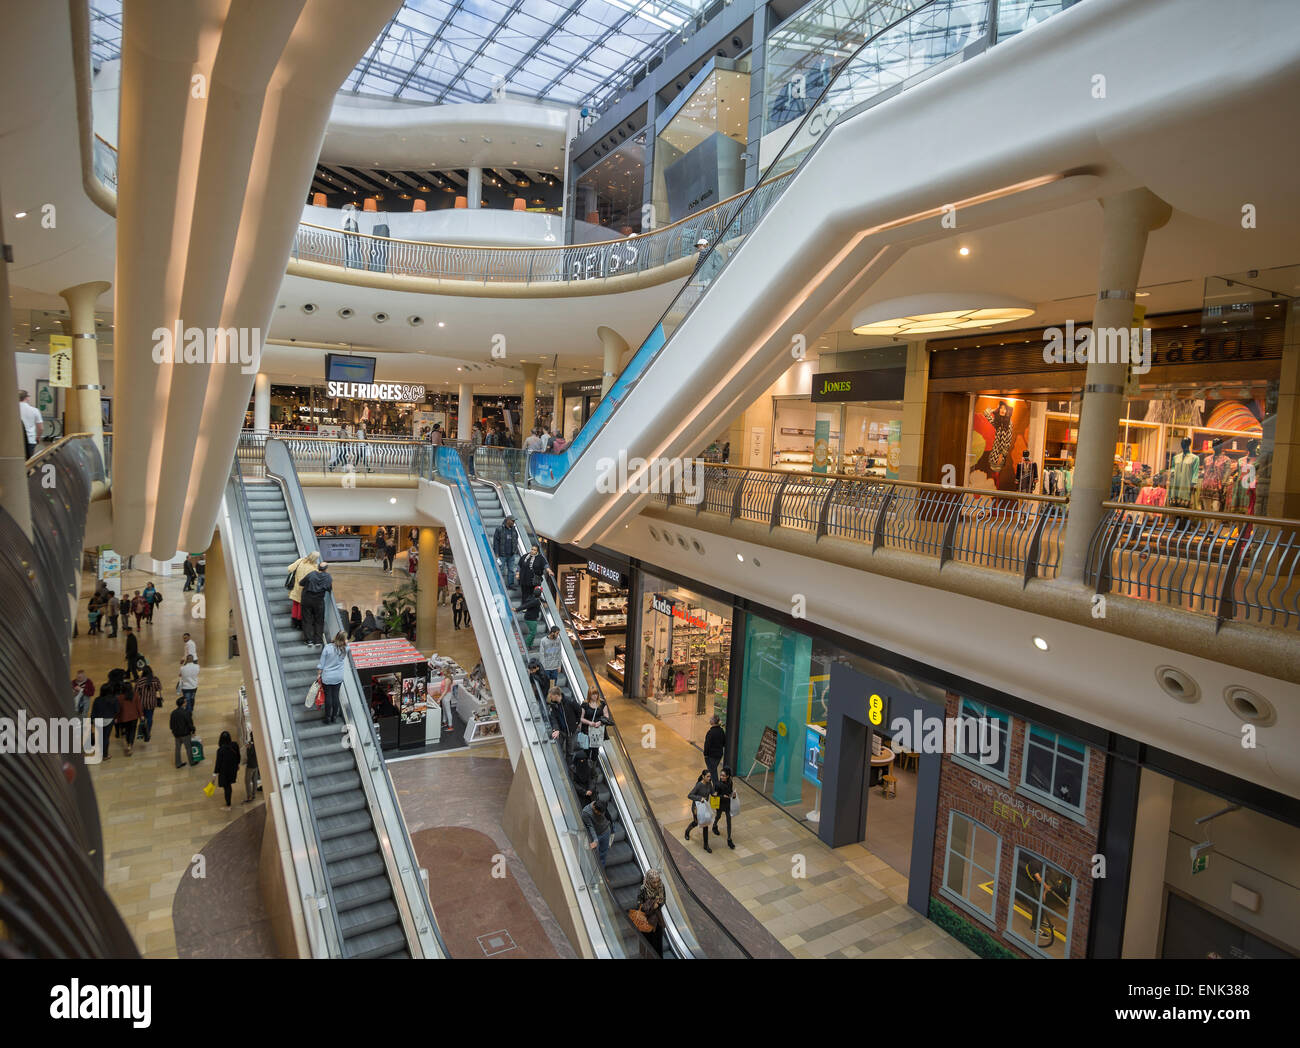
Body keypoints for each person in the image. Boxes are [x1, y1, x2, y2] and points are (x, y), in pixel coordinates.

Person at [317, 631, 348, 725]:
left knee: (328, 697)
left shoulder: (327, 648)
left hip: (327, 676)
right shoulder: (346, 649)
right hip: (338, 677)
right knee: (335, 696)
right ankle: (334, 717)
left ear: (335, 637)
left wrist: (319, 674)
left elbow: (321, 664)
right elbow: (348, 645)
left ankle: (327, 718)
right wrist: (345, 642)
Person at [300, 562, 333, 647]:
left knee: (307, 619)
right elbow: (329, 588)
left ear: (318, 567)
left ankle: (309, 640)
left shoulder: (311, 574)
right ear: (326, 569)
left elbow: (301, 583)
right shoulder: (328, 577)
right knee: (319, 621)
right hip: (319, 601)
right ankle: (318, 641)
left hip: (307, 599)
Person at [633, 869, 666, 954]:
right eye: (653, 882)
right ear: (648, 881)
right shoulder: (643, 889)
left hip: (657, 919)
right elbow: (639, 905)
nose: (656, 884)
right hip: (646, 920)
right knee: (648, 942)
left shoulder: (661, 886)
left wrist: (659, 903)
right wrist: (652, 906)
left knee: (658, 942)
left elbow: (663, 900)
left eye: (657, 881)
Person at [286, 551, 320, 632]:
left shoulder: (300, 561)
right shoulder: (314, 567)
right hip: (305, 591)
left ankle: (294, 623)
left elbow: (289, 568)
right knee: (302, 608)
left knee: (295, 605)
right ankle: (299, 624)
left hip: (295, 589)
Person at [684, 769, 715, 853]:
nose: (709, 778)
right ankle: (687, 831)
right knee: (696, 822)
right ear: (703, 777)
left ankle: (706, 845)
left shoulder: (709, 783)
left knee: (706, 824)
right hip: (697, 807)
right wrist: (699, 798)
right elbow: (690, 795)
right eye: (708, 776)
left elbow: (712, 793)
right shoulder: (699, 785)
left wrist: (715, 794)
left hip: (705, 807)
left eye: (710, 776)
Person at [91, 678, 121, 762]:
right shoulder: (114, 699)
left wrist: (91, 722)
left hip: (98, 721)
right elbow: (117, 710)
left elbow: (94, 711)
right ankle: (105, 755)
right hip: (109, 720)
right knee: (105, 738)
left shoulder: (97, 700)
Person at [547, 686, 581, 758]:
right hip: (561, 731)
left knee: (570, 751)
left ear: (556, 696)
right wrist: (556, 729)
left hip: (571, 731)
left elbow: (579, 711)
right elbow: (553, 718)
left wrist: (576, 723)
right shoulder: (553, 705)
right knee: (559, 749)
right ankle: (562, 765)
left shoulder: (570, 701)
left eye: (551, 696)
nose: (550, 698)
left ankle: (570, 766)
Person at [211, 731, 241, 809]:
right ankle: (228, 802)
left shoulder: (220, 750)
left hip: (224, 772)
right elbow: (238, 756)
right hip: (233, 769)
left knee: (227, 787)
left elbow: (218, 764)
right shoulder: (235, 745)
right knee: (229, 785)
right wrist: (237, 764)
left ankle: (228, 804)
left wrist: (214, 775)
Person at [134, 663, 162, 743]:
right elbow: (159, 689)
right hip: (152, 702)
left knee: (142, 717)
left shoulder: (139, 681)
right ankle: (148, 732)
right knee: (149, 718)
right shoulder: (155, 679)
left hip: (141, 702)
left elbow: (135, 692)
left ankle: (141, 732)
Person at [115, 675, 142, 756]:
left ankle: (128, 743)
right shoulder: (136, 695)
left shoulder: (119, 697)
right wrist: (141, 715)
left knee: (127, 731)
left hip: (124, 717)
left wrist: (116, 717)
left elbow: (118, 709)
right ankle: (130, 745)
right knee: (133, 731)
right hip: (134, 716)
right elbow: (139, 706)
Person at [581, 798, 612, 869]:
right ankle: (596, 873)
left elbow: (607, 816)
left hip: (606, 831)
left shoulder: (602, 806)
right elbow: (590, 827)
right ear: (594, 808)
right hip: (596, 835)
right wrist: (595, 840)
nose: (601, 815)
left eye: (601, 813)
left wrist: (611, 828)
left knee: (603, 853)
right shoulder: (586, 813)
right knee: (594, 856)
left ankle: (602, 872)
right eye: (599, 813)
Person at [713, 766, 736, 850]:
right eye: (721, 775)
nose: (721, 777)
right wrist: (722, 796)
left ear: (728, 776)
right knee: (718, 816)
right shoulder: (717, 784)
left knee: (729, 821)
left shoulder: (730, 782)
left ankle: (729, 839)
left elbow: (730, 791)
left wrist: (733, 795)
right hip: (720, 803)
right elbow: (714, 795)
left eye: (723, 775)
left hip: (727, 804)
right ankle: (714, 826)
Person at [492, 516, 519, 587]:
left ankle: (511, 584)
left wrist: (515, 550)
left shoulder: (514, 530)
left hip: (511, 554)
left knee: (511, 570)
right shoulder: (499, 529)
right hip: (501, 555)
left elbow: (516, 539)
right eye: (512, 521)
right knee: (500, 570)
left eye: (514, 521)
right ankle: (498, 585)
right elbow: (496, 542)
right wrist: (496, 554)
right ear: (508, 520)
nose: (514, 522)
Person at [170, 696, 195, 769]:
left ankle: (178, 763)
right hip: (185, 734)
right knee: (188, 748)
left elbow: (171, 725)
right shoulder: (186, 713)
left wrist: (174, 732)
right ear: (183, 704)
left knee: (177, 749)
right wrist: (193, 730)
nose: (186, 703)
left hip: (176, 734)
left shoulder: (173, 713)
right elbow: (190, 723)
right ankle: (191, 762)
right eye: (185, 702)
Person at [18, 389, 43, 460]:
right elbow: (41, 428)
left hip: (16, 440)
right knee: (28, 461)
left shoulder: (12, 410)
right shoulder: (34, 410)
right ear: (26, 397)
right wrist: (38, 437)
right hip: (30, 439)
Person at [703, 713, 726, 785]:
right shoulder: (721, 731)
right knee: (713, 770)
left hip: (711, 756)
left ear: (713, 722)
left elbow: (707, 745)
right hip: (718, 755)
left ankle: (716, 788)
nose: (709, 720)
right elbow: (724, 743)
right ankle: (711, 786)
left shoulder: (710, 733)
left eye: (710, 719)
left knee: (713, 773)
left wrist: (705, 754)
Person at [243, 738, 260, 804]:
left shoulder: (251, 748)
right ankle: (254, 794)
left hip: (250, 766)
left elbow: (249, 756)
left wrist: (248, 748)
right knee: (254, 780)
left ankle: (249, 796)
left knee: (247, 781)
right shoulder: (257, 745)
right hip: (256, 765)